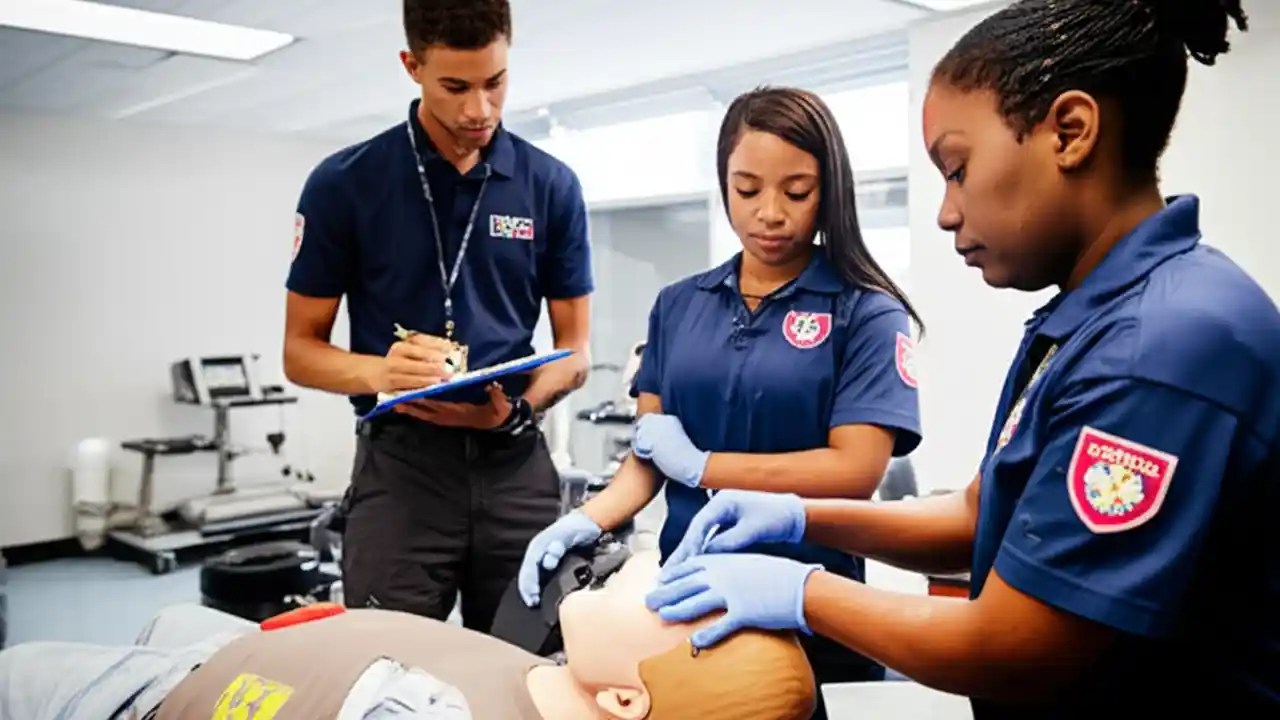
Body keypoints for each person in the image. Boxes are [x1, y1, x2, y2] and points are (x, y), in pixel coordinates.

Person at [643, 0, 1280, 716]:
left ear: (1070, 132)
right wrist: (799, 517)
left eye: (958, 169)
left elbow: (1011, 646)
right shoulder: (1091, 320)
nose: (946, 211)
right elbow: (979, 516)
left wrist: (802, 590)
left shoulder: (1161, 346)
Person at [519, 86, 925, 718]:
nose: (769, 213)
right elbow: (652, 455)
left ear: (830, 192)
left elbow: (855, 470)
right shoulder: (680, 305)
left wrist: (708, 466)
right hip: (690, 606)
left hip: (814, 607)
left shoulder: (865, 312)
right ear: (723, 183)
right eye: (746, 189)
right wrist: (588, 519)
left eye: (796, 192)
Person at [282, 0, 592, 635]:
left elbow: (576, 352)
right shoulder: (344, 182)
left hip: (514, 459)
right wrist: (382, 371)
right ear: (412, 66)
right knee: (389, 666)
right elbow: (300, 352)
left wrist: (517, 412)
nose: (479, 109)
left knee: (527, 667)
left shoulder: (551, 185)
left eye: (495, 82)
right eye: (456, 86)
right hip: (402, 470)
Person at [0, 552, 818, 720]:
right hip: (232, 647)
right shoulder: (564, 677)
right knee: (171, 615)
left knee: (18, 671)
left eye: (674, 603)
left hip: (169, 694)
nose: (648, 562)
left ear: (627, 697)